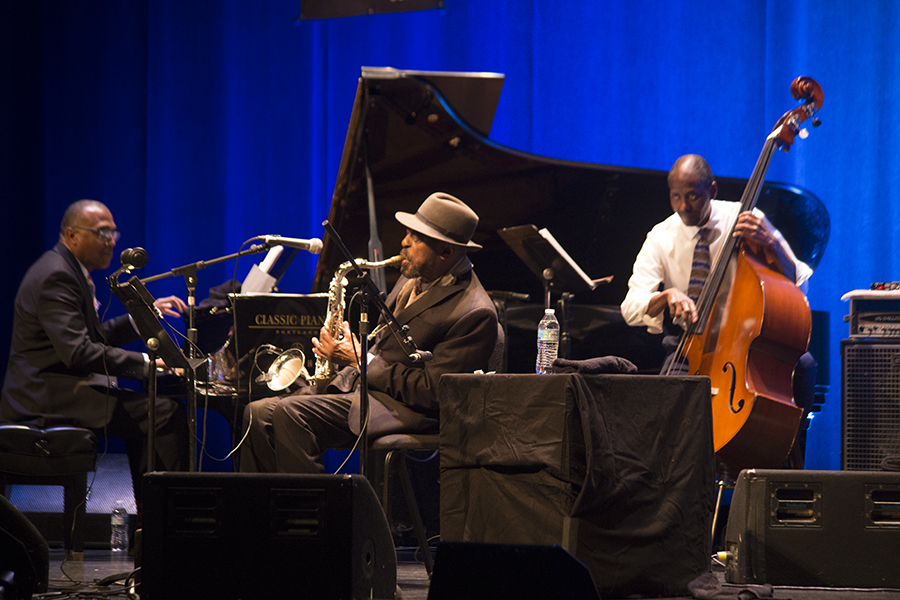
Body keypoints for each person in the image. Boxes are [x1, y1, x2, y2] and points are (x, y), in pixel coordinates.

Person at [240, 192, 500, 473]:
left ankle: (319, 513)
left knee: (290, 414)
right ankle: (268, 512)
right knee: (256, 413)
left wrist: (362, 361)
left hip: (407, 411)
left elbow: (435, 393)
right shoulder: (414, 274)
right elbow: (385, 344)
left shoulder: (475, 312)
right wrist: (348, 354)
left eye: (415, 237)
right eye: (407, 233)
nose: (404, 242)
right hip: (365, 390)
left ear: (445, 253)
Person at [620, 154, 817, 461]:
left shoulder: (745, 218)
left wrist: (772, 244)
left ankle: (790, 454)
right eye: (676, 197)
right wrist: (667, 295)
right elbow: (631, 307)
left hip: (744, 340)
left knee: (803, 366)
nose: (684, 206)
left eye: (693, 196)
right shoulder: (661, 236)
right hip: (692, 344)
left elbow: (798, 282)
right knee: (666, 400)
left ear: (712, 190)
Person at [1, 199, 189, 512]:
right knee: (165, 413)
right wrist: (145, 364)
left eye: (113, 233)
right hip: (44, 397)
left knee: (155, 411)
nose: (111, 242)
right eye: (102, 233)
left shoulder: (69, 269)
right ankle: (172, 518)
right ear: (72, 234)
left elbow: (92, 336)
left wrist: (143, 317)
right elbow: (77, 351)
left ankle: (149, 520)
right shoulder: (56, 276)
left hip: (60, 387)